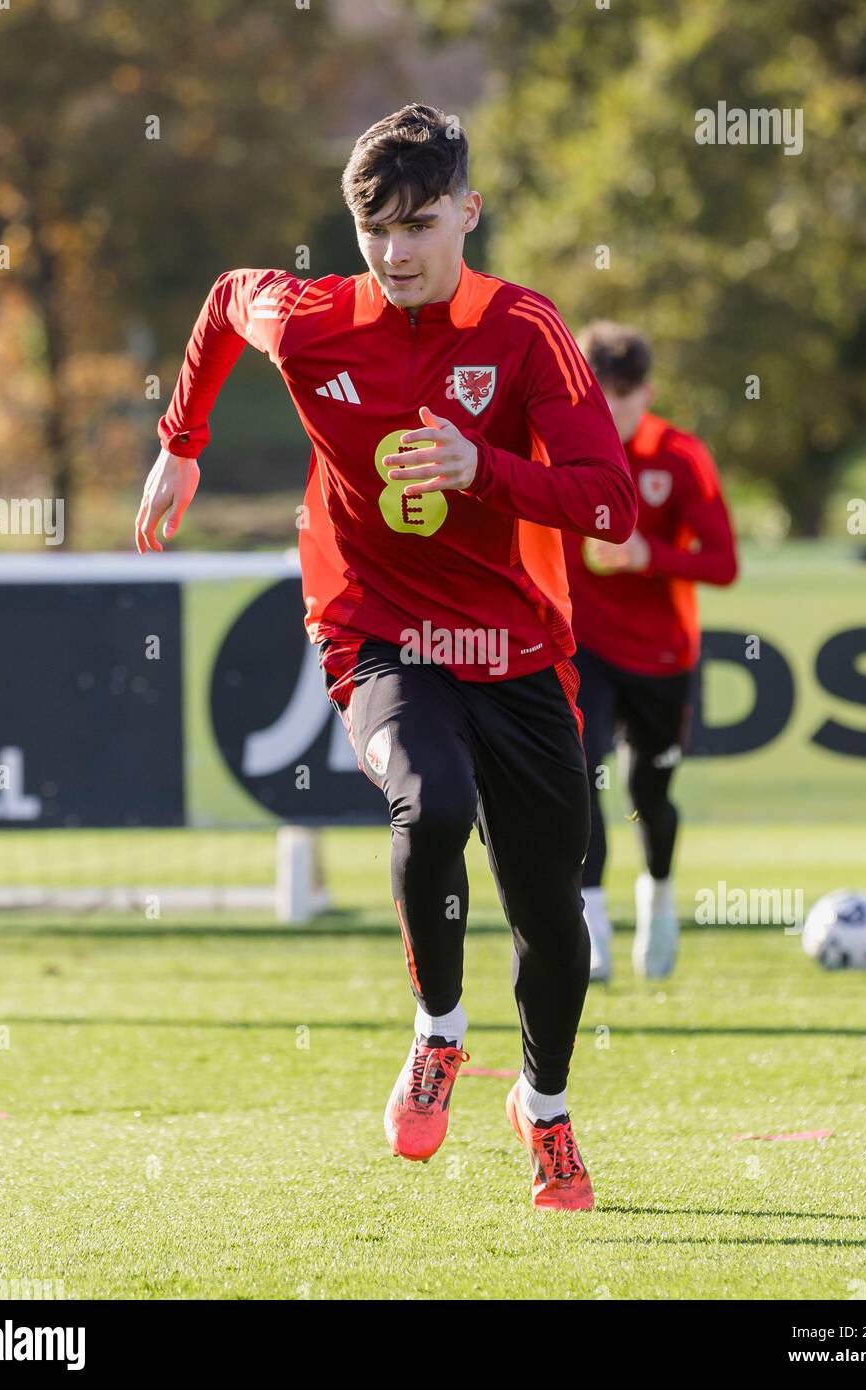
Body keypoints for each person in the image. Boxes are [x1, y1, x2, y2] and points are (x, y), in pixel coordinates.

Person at [135, 104, 637, 1210]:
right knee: (431, 798)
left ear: (467, 210)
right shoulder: (314, 320)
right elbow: (227, 301)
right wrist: (180, 445)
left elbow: (607, 502)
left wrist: (481, 468)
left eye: (419, 224)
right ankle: (439, 1034)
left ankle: (543, 1106)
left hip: (515, 643)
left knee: (554, 914)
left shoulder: (524, 330)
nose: (397, 253)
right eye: (375, 230)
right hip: (375, 626)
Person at [561, 324, 738, 983]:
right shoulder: (556, 449)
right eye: (600, 392)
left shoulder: (678, 454)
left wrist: (647, 556)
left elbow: (722, 564)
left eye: (627, 393)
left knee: (647, 791)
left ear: (648, 392)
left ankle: (658, 897)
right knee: (576, 781)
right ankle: (592, 924)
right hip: (579, 648)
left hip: (662, 656)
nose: (614, 408)